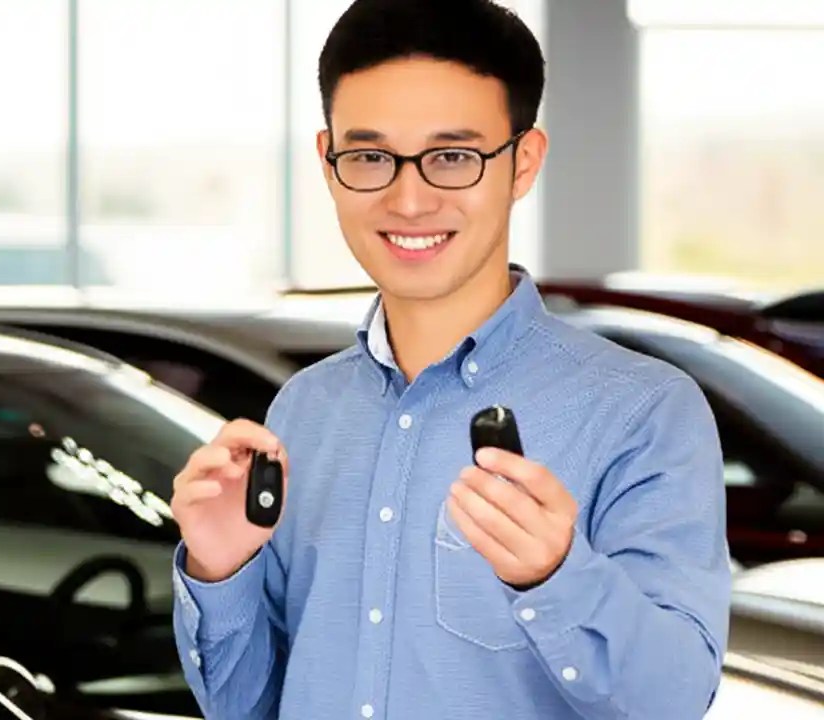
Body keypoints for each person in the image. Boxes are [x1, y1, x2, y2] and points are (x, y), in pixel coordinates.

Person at [168, 1, 731, 718]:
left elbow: (674, 702)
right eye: (370, 156)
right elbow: (245, 706)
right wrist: (222, 569)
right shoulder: (304, 412)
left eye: (453, 158)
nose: (408, 199)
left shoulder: (643, 413)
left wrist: (556, 577)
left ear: (522, 163)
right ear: (329, 162)